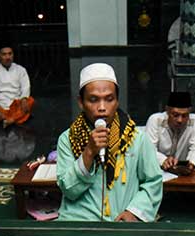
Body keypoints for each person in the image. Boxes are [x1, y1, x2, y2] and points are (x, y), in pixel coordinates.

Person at [56, 63, 163, 222]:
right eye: (93, 100)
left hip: (120, 223)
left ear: (117, 101)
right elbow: (69, 190)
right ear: (81, 102)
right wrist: (88, 152)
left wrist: (134, 212)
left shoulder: (136, 138)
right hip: (78, 222)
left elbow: (153, 182)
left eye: (109, 99)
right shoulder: (68, 139)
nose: (102, 108)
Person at [146, 91, 195, 172]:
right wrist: (163, 160)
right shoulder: (155, 120)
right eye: (175, 115)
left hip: (184, 170)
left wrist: (192, 163)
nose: (180, 120)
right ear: (167, 110)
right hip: (157, 169)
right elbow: (148, 150)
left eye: (184, 116)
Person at [0, 44, 34, 127]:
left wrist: (23, 99)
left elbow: (26, 86)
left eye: (10, 54)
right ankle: (16, 118)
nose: (8, 57)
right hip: (1, 106)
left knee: (30, 101)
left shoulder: (21, 70)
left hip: (17, 103)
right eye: (4, 54)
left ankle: (10, 120)